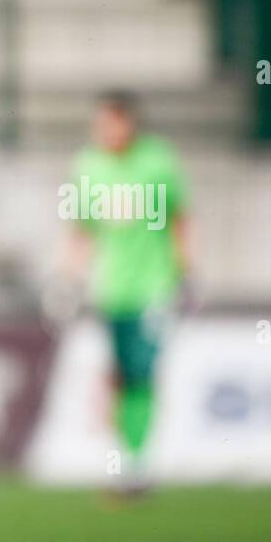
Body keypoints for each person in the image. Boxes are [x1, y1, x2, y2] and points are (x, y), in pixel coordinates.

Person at [66, 90, 193, 491]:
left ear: (129, 122)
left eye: (113, 122)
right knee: (120, 375)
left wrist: (185, 270)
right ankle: (127, 460)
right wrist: (69, 278)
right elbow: (82, 230)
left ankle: (139, 462)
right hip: (111, 289)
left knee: (142, 371)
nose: (107, 131)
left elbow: (180, 218)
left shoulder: (158, 161)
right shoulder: (88, 166)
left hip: (153, 287)